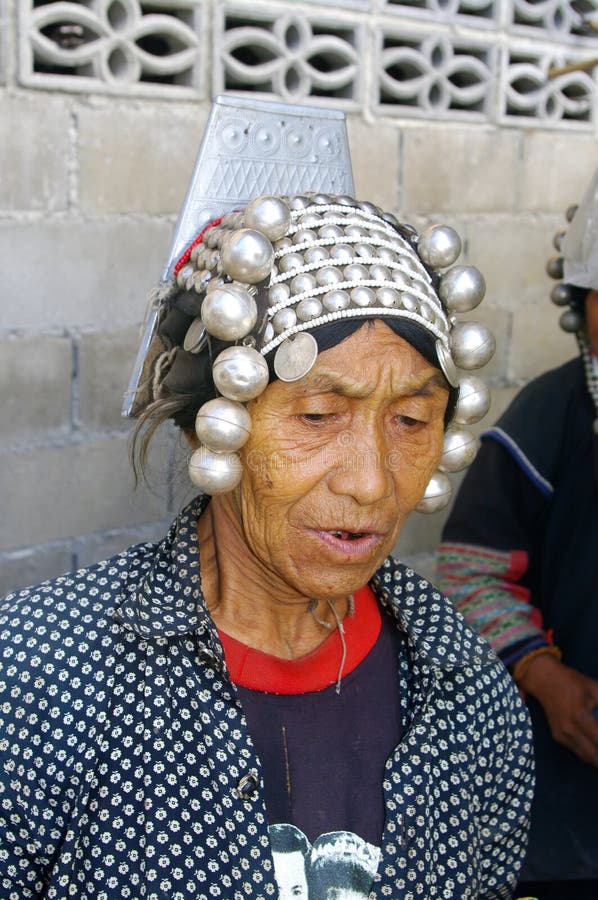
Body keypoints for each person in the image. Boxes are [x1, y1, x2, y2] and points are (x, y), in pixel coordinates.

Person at [0, 97, 533, 899]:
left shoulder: (466, 692)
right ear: (207, 427)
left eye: (413, 419)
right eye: (318, 415)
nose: (372, 481)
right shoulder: (38, 684)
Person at [436, 169, 598, 899]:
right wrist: (544, 676)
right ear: (579, 302)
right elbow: (471, 571)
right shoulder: (550, 416)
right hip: (568, 809)